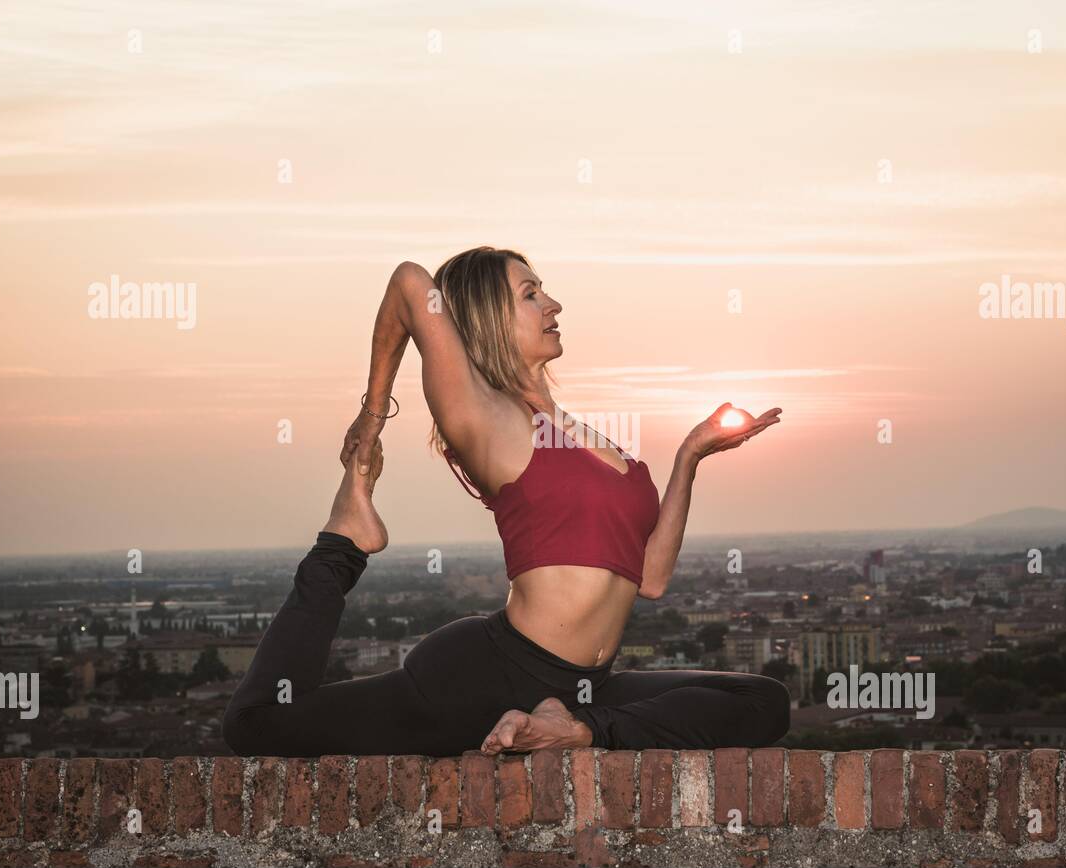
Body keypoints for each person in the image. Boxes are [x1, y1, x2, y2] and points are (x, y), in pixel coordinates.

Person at [222, 247, 786, 757]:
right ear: (487, 317)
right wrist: (370, 428)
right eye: (530, 294)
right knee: (259, 726)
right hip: (487, 677)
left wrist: (690, 456)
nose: (553, 303)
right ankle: (342, 543)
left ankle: (577, 729)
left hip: (584, 687)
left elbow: (652, 578)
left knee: (763, 701)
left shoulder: (582, 433)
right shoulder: (490, 420)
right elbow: (410, 283)